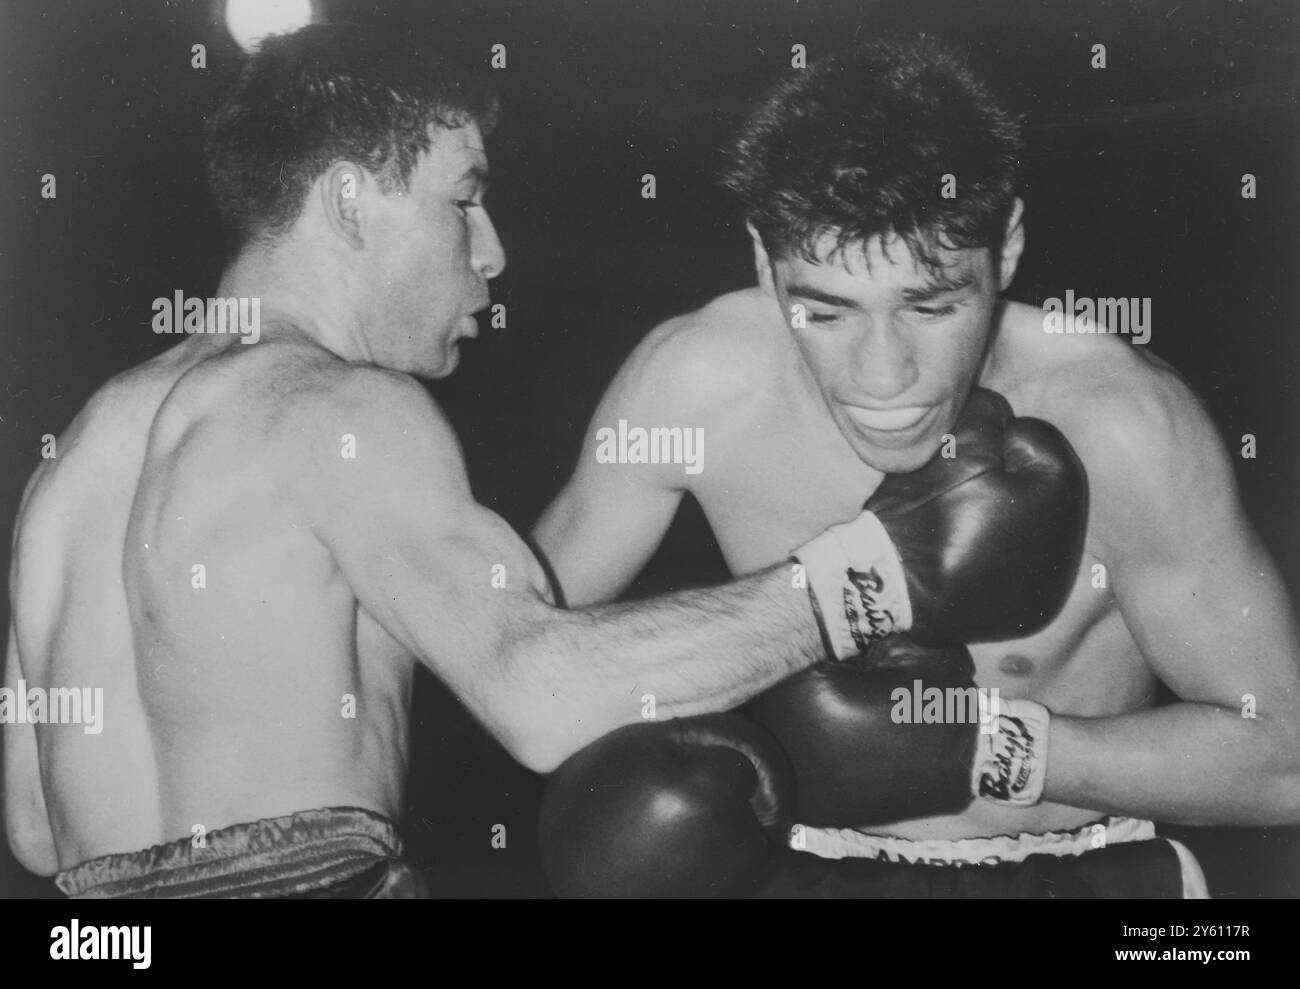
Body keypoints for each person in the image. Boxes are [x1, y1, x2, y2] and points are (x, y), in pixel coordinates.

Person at [2, 26, 1081, 899]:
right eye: (462, 197)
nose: (491, 251)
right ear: (346, 203)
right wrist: (871, 573)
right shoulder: (345, 409)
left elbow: (40, 828)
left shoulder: (75, 458)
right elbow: (538, 693)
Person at [534, 36, 1300, 898]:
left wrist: (990, 749)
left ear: (1005, 247)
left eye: (929, 305)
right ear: (763, 259)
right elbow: (521, 662)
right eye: (826, 311)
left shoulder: (1118, 423)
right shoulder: (695, 385)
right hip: (806, 866)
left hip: (1085, 877)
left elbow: (1284, 763)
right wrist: (715, 683)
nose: (881, 375)